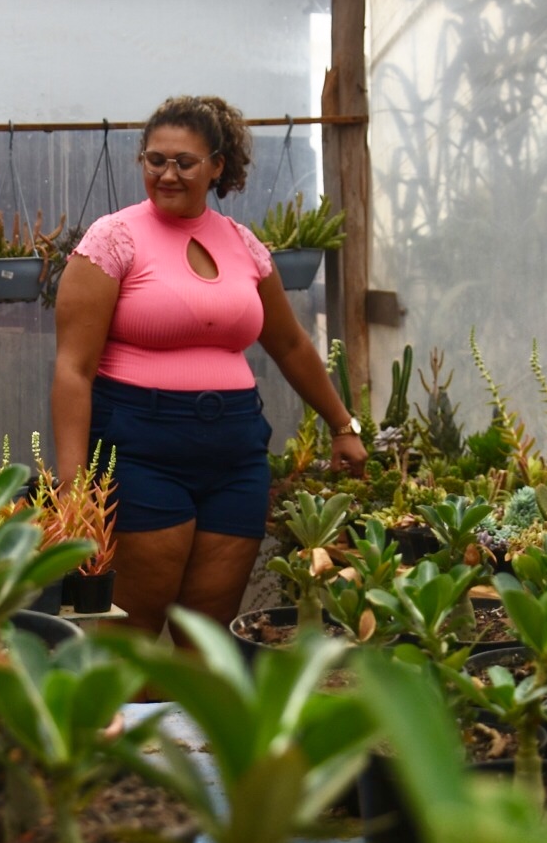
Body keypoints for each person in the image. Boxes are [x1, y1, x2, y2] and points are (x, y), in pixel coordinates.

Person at [52, 94, 366, 639]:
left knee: (210, 628)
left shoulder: (243, 245)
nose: (167, 174)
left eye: (184, 163)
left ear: (217, 166)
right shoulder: (113, 240)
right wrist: (72, 485)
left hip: (235, 450)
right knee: (136, 625)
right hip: (140, 444)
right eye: (155, 160)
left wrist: (343, 425)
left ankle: (199, 729)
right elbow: (73, 370)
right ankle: (131, 725)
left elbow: (291, 346)